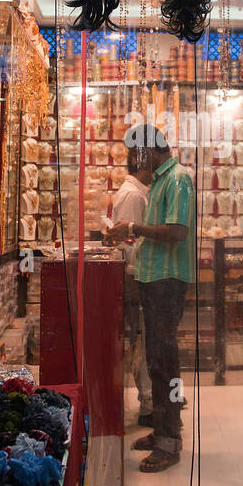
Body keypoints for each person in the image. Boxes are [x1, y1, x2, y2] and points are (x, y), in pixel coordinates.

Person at [106, 125, 195, 472]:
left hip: (167, 280)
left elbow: (177, 231)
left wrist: (132, 228)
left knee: (164, 361)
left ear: (153, 150)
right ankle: (161, 430)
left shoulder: (177, 180)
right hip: (152, 278)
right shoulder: (159, 180)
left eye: (139, 152)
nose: (136, 160)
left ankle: (170, 440)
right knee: (156, 361)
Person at [109, 144, 152, 426]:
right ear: (142, 165)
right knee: (141, 341)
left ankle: (150, 399)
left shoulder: (137, 193)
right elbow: (127, 243)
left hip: (140, 277)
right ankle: (148, 400)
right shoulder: (132, 196)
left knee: (145, 341)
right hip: (137, 278)